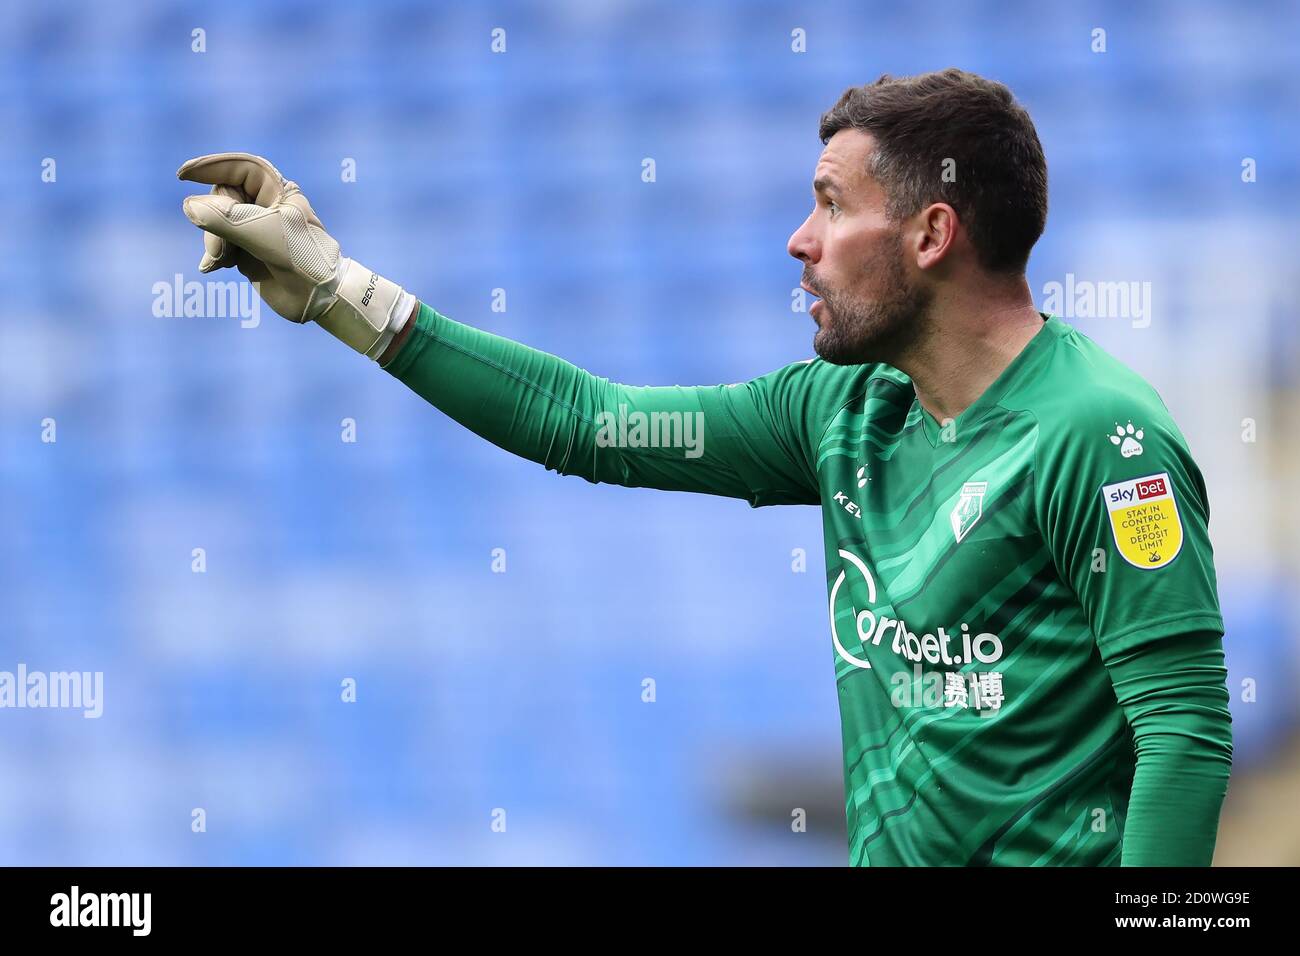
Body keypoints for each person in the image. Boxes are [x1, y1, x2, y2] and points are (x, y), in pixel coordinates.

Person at [177, 68, 1232, 866]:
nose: (798, 240)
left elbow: (1182, 733)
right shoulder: (843, 409)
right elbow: (586, 422)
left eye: (829, 203)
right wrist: (339, 291)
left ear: (929, 233)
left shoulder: (1099, 436)